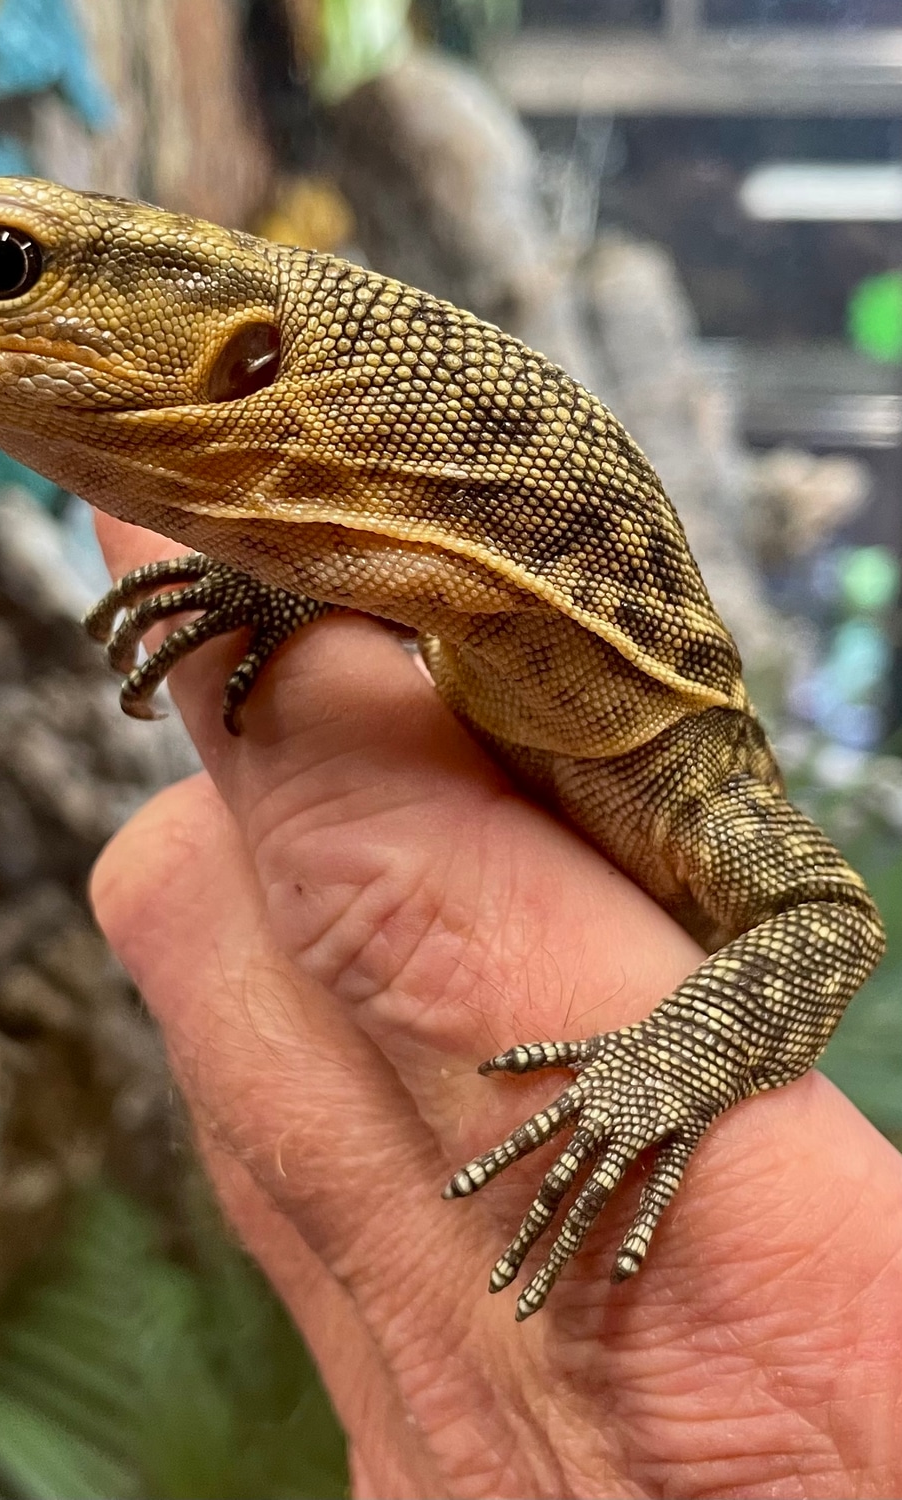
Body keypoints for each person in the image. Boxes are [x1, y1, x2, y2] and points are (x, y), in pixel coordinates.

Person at [90, 514, 902, 1498]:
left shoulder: (695, 778)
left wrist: (660, 1071)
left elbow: (828, 922)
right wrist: (283, 585)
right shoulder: (449, 607)